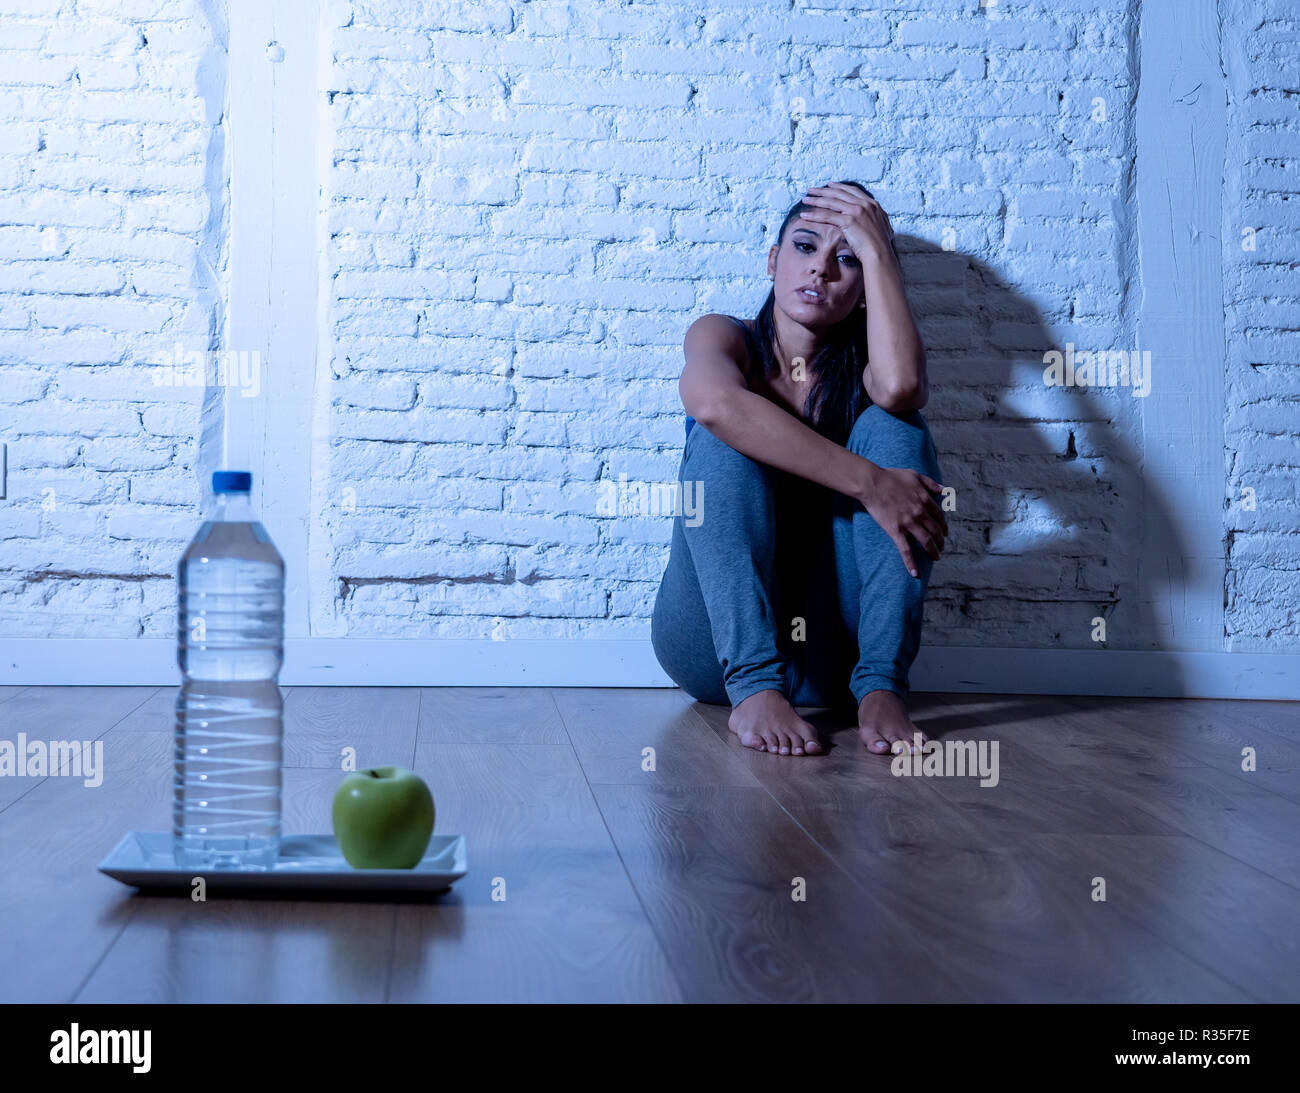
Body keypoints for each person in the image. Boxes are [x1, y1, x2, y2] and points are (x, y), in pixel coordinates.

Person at [650, 181, 947, 758]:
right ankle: (756, 687)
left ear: (867, 286)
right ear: (772, 260)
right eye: (805, 248)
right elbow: (714, 404)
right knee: (724, 440)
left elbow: (903, 388)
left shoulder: (866, 377)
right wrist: (871, 483)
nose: (821, 272)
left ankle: (884, 684)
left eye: (847, 260)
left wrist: (882, 250)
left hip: (837, 655)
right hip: (714, 648)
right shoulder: (724, 338)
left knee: (897, 426)